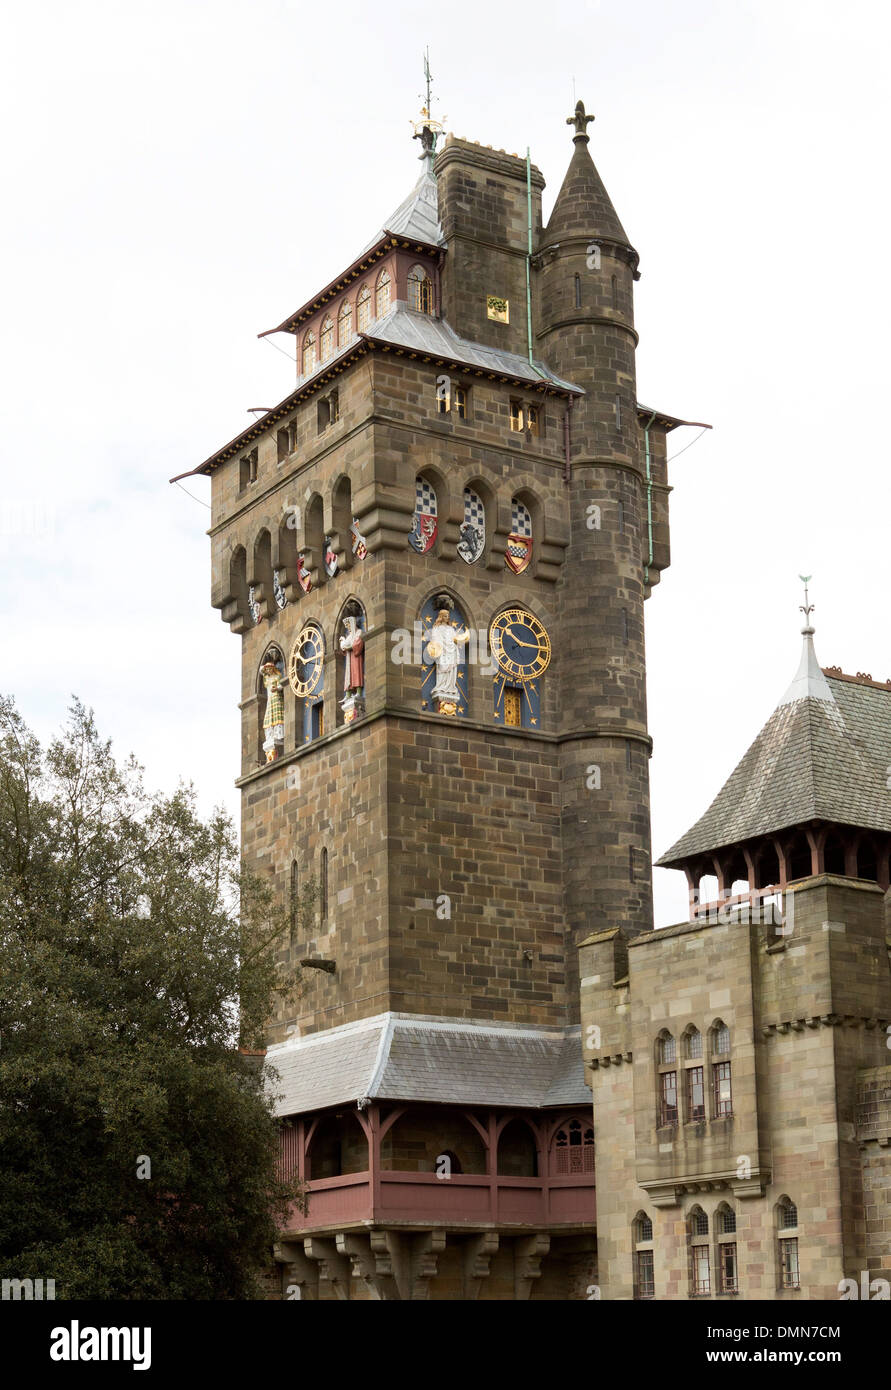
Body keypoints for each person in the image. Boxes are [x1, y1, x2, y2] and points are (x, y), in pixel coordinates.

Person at [425, 608, 469, 708]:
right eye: (445, 616)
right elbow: (434, 640)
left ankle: (450, 688)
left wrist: (463, 638)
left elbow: (455, 639)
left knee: (451, 672)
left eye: (448, 616)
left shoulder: (450, 629)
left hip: (451, 651)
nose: (447, 617)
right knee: (442, 669)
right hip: (442, 652)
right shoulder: (436, 628)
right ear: (441, 617)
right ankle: (441, 687)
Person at [260, 659, 285, 762]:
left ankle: (278, 734)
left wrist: (277, 689)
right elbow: (261, 671)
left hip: (276, 697)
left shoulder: (277, 676)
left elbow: (281, 685)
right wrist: (264, 668)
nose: (269, 670)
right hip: (270, 700)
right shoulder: (267, 678)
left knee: (277, 715)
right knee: (269, 716)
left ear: (273, 669)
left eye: (270, 668)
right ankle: (271, 735)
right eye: (267, 669)